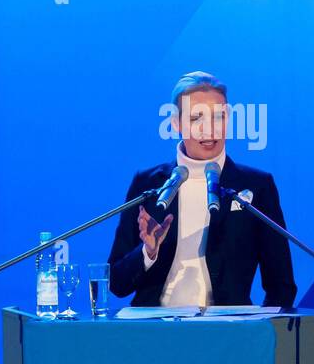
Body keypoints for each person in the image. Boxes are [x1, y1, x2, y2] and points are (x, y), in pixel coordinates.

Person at [107, 72, 296, 308]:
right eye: (197, 118)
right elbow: (116, 282)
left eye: (217, 117)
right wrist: (148, 252)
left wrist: (255, 334)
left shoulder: (256, 186)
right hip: (155, 332)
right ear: (176, 123)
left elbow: (282, 286)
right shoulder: (148, 185)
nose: (209, 130)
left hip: (227, 336)